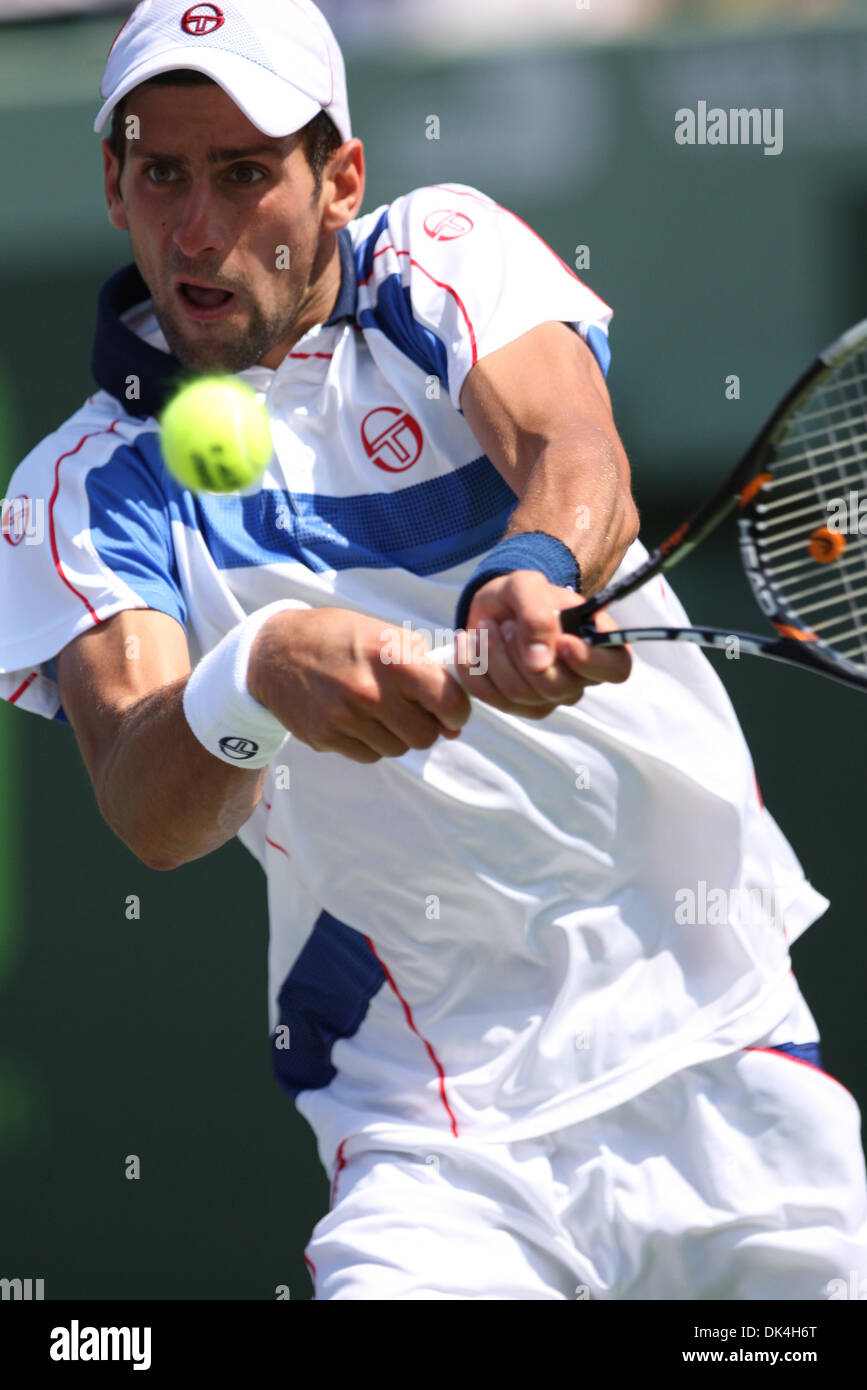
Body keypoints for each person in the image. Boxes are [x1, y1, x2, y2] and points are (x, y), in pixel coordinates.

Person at [1, 0, 865, 1301]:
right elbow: (144, 792)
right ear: (112, 181)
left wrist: (532, 570)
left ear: (341, 178)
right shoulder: (77, 486)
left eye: (246, 173)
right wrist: (258, 671)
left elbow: (575, 459)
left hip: (721, 1057)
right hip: (434, 1143)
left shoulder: (440, 253)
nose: (199, 227)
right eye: (162, 171)